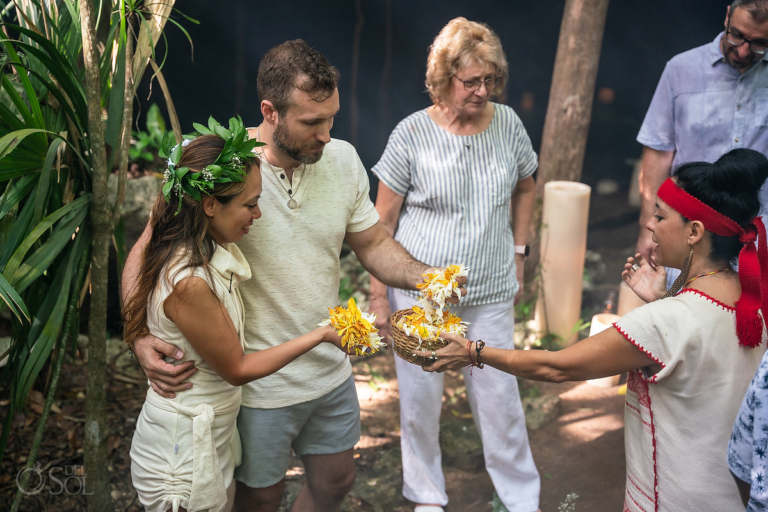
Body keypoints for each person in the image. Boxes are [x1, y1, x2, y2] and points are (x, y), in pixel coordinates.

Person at [122, 40, 465, 512]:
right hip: (257, 384)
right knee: (260, 498)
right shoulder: (217, 168)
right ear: (271, 111)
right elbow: (149, 251)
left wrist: (426, 277)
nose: (326, 135)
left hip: (329, 369)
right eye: (311, 122)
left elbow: (373, 244)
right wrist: (137, 332)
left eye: (331, 118)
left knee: (337, 480)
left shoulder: (341, 160)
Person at [421, 149, 768, 511]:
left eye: (660, 216)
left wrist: (473, 351)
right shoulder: (752, 301)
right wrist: (664, 298)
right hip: (730, 497)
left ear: (694, 231)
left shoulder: (666, 320)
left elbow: (558, 367)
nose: (650, 225)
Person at [123, 123, 349, 512]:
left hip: (209, 433)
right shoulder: (188, 281)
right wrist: (321, 335)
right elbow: (238, 368)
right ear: (210, 205)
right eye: (250, 204)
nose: (258, 214)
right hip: (182, 453)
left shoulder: (198, 245)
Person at [369, 17, 540, 512]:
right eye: (471, 81)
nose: (483, 91)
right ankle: (425, 496)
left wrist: (520, 253)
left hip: (488, 290)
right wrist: (379, 294)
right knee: (420, 401)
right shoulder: (411, 134)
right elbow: (381, 222)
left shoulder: (507, 124)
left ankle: (521, 497)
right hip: (419, 295)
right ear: (443, 79)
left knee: (500, 401)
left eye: (490, 80)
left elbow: (527, 184)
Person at [635, 0, 768, 286]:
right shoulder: (680, 69)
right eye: (737, 35)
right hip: (687, 235)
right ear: (727, 16)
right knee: (681, 323)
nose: (744, 50)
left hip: (758, 237)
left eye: (759, 44)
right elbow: (658, 155)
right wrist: (649, 228)